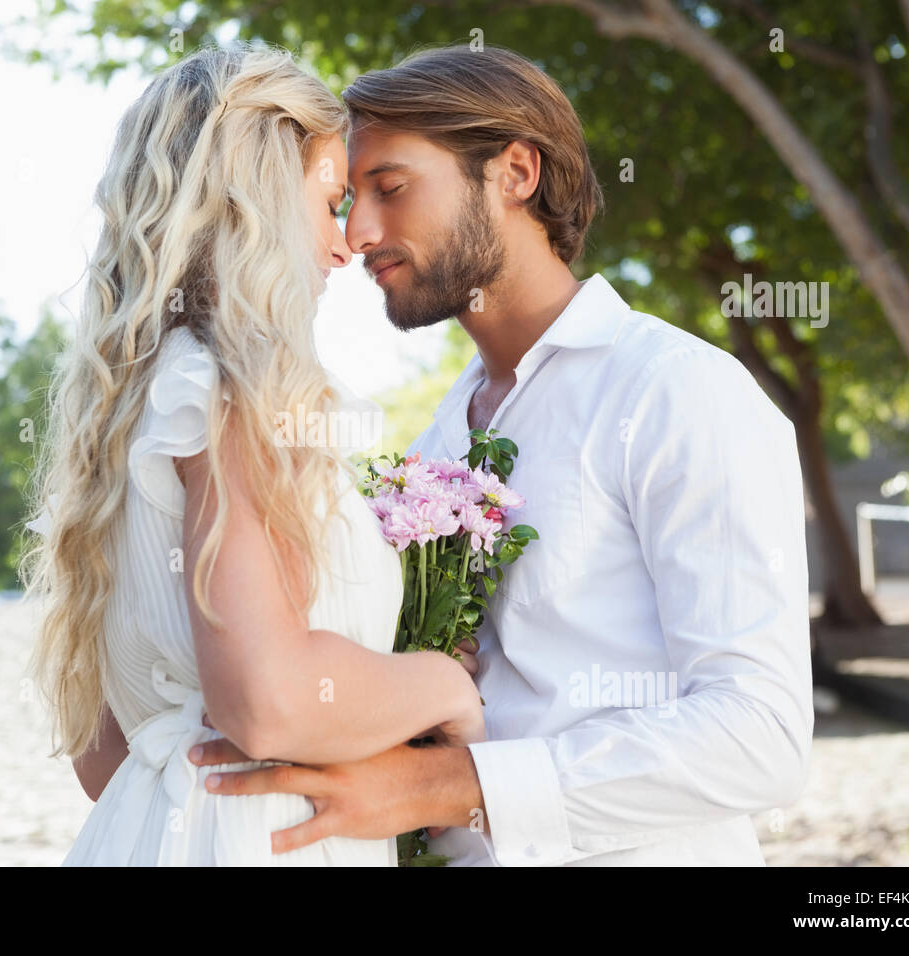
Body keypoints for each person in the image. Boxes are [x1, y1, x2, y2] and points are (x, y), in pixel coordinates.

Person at [191, 44, 814, 866]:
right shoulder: (432, 445)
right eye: (350, 198)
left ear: (515, 171)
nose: (359, 233)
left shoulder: (678, 392)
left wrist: (451, 787)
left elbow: (759, 736)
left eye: (392, 187)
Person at [21, 44, 483, 866]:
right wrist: (445, 686)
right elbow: (267, 702)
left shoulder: (123, 413)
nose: (346, 245)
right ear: (260, 191)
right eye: (331, 197)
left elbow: (107, 763)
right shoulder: (237, 391)